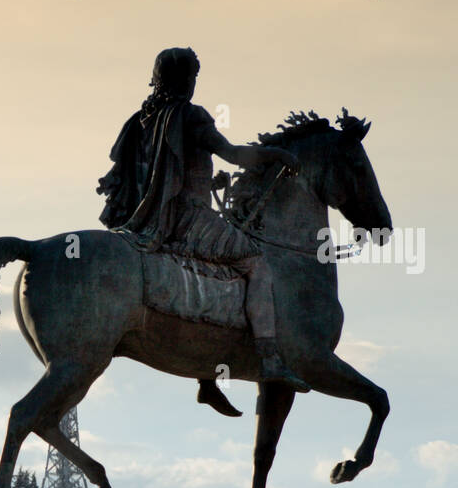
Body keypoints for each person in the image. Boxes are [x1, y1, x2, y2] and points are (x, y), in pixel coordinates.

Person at [98, 47, 309, 394]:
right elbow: (234, 154)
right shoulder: (190, 116)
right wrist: (276, 155)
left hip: (147, 220)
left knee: (213, 270)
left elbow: (148, 174)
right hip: (187, 220)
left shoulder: (139, 120)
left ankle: (208, 374)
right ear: (184, 80)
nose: (194, 83)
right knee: (256, 263)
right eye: (193, 76)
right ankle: (270, 359)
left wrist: (202, 182)